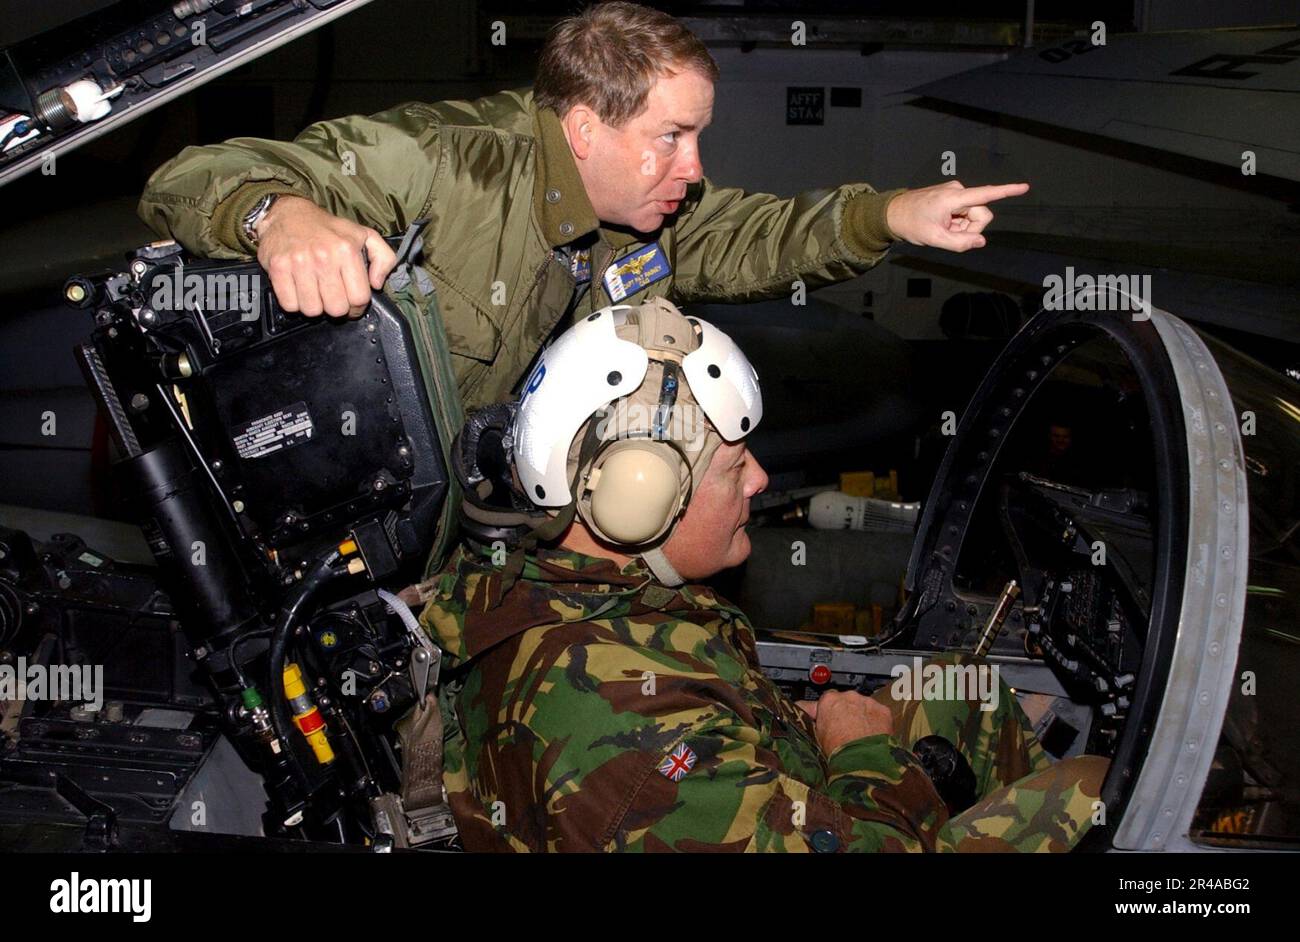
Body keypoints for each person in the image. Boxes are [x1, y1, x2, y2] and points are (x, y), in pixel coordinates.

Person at [420, 296, 1109, 852]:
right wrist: (862, 748)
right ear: (638, 501)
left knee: (966, 690)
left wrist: (789, 729)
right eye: (733, 466)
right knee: (1092, 789)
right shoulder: (636, 740)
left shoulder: (561, 583)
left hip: (757, 782)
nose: (759, 479)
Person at [136, 1, 1029, 411]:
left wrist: (890, 217)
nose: (693, 166)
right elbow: (192, 175)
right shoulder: (449, 163)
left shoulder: (647, 216)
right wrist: (277, 217)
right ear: (585, 128)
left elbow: (757, 237)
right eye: (672, 136)